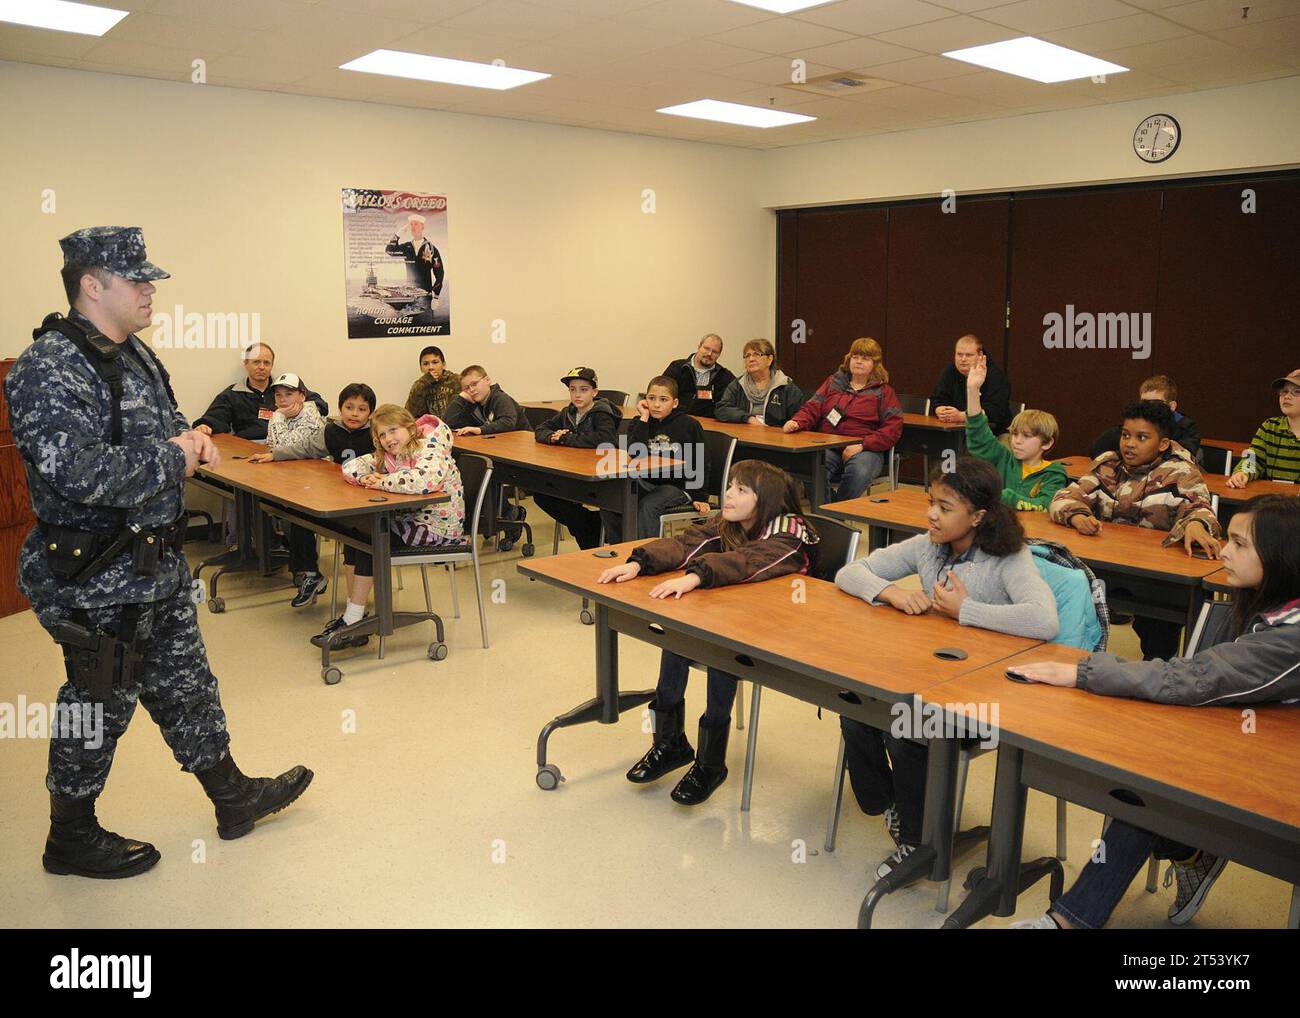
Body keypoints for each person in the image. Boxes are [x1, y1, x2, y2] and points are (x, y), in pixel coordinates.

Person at [5, 226, 311, 879]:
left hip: (157, 564)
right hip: (96, 576)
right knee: (97, 703)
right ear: (93, 284)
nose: (150, 289)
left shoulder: (136, 354)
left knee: (187, 684)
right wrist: (172, 456)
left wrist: (191, 438)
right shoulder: (49, 366)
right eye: (137, 279)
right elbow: (75, 473)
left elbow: (164, 424)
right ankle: (71, 836)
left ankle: (233, 797)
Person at [1009, 495, 1300, 929]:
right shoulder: (1266, 605)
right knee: (1148, 784)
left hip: (1278, 773)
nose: (1223, 551)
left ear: (1281, 558)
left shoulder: (1290, 636)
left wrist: (1083, 671)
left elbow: (1196, 676)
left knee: (1154, 787)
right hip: (1246, 736)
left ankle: (1081, 913)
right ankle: (1180, 857)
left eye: (1239, 544)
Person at [835, 458, 1059, 878]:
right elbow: (851, 571)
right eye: (931, 502)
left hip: (989, 697)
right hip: (932, 678)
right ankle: (897, 811)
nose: (932, 515)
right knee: (856, 708)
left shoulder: (1008, 557)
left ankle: (919, 844)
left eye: (945, 507)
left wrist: (966, 610)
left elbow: (1045, 620)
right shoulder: (927, 546)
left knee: (908, 731)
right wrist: (890, 595)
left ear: (978, 516)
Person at [597, 461, 819, 805]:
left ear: (767, 501)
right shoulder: (731, 521)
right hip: (736, 614)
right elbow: (689, 543)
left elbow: (748, 561)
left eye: (741, 490)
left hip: (782, 630)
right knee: (677, 634)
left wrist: (695, 577)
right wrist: (639, 563)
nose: (728, 494)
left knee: (719, 648)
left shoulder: (790, 533)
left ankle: (711, 763)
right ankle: (669, 744)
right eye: (730, 485)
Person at [1049, 399, 1222, 660]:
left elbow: (1198, 507)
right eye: (1126, 435)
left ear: (1163, 444)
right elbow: (1064, 498)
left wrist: (1196, 523)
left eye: (1142, 437)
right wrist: (1076, 516)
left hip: (1158, 576)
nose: (1130, 443)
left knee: (1157, 642)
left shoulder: (1181, 470)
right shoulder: (1108, 464)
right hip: (1106, 563)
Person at [313, 405, 465, 649]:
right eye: (382, 435)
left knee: (370, 538)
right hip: (410, 520)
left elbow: (423, 482)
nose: (388, 439)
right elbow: (351, 466)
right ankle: (356, 615)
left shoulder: (431, 447)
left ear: (411, 428)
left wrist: (382, 481)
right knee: (354, 533)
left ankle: (353, 620)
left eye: (393, 431)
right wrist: (364, 478)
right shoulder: (393, 454)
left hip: (438, 527)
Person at [245, 371, 329, 607]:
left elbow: (286, 447)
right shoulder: (280, 415)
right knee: (271, 505)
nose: (282, 400)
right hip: (290, 476)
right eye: (278, 395)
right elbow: (274, 448)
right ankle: (304, 570)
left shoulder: (311, 415)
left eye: (289, 394)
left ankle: (309, 572)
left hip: (317, 479)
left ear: (302, 395)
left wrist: (278, 418)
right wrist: (279, 421)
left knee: (295, 515)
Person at [783, 337, 902, 500]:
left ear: (875, 364)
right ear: (848, 359)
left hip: (865, 448)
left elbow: (892, 429)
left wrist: (863, 444)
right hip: (829, 444)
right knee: (809, 466)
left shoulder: (884, 392)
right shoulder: (833, 382)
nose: (858, 361)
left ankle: (837, 518)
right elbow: (812, 406)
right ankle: (826, 512)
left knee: (859, 471)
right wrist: (797, 421)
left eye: (865, 358)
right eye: (855, 357)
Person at [604, 376, 711, 541]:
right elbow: (634, 453)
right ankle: (619, 550)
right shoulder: (639, 422)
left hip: (677, 486)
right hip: (645, 481)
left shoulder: (689, 425)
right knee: (612, 500)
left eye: (663, 399)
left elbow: (701, 461)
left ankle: (645, 556)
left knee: (648, 506)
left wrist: (700, 497)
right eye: (651, 398)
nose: (656, 404)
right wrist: (644, 418)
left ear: (674, 403)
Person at [530, 367, 622, 549]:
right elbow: (540, 429)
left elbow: (606, 440)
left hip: (599, 475)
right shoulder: (568, 412)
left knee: (564, 504)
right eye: (572, 389)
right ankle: (591, 524)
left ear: (594, 392)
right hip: (573, 472)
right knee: (542, 494)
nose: (577, 395)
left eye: (583, 389)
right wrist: (552, 437)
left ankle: (588, 532)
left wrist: (566, 438)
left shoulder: (602, 413)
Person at [965, 354, 1066, 511]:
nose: (1017, 441)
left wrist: (1004, 496)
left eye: (1026, 436)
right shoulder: (1003, 457)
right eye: (1014, 434)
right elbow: (978, 433)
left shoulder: (1054, 474)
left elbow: (1044, 505)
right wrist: (972, 389)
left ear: (1047, 443)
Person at [192, 342, 327, 440]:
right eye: (256, 362)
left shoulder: (285, 389)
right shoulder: (232, 394)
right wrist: (204, 426)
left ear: (272, 365)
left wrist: (300, 410)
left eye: (266, 363)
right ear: (246, 364)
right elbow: (214, 418)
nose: (262, 367)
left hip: (286, 446)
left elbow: (320, 404)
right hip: (247, 448)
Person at [1090, 374, 1200, 460]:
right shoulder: (1134, 424)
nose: (1146, 409)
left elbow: (1183, 459)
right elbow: (1096, 449)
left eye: (1154, 404)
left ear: (1171, 406)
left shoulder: (1186, 427)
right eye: (1143, 403)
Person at [1227, 368, 1300, 487]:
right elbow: (1252, 458)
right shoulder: (1269, 426)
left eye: (1297, 392)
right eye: (1284, 391)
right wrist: (1243, 472)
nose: (1287, 396)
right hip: (1272, 499)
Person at [930, 334, 1012, 435]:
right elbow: (936, 399)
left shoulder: (996, 376)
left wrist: (961, 416)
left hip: (994, 434)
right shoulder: (950, 370)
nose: (963, 359)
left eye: (968, 355)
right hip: (955, 431)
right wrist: (941, 411)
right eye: (959, 354)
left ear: (980, 355)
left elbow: (995, 413)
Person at [714, 338, 805, 427]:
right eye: (747, 355)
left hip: (776, 439)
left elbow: (799, 417)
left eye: (757, 354)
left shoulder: (786, 387)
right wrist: (748, 418)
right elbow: (721, 409)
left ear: (770, 359)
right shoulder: (738, 385)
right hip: (743, 438)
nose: (751, 359)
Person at [385, 212, 444, 317]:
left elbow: (439, 274)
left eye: (416, 224)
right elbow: (389, 250)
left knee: (426, 326)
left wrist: (436, 297)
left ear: (422, 226)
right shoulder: (406, 247)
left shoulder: (431, 248)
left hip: (425, 297)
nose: (413, 226)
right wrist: (398, 234)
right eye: (411, 224)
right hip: (409, 296)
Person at [662, 333, 735, 418]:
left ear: (719, 354)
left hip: (708, 424)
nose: (709, 354)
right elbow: (661, 392)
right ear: (699, 347)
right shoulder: (677, 367)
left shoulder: (725, 376)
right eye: (706, 348)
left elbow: (731, 403)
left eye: (714, 352)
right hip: (676, 419)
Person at [405, 345, 459, 420]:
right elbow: (409, 414)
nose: (431, 367)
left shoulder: (455, 380)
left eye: (435, 362)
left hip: (454, 426)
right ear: (421, 368)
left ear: (443, 365)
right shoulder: (419, 385)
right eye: (426, 364)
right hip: (430, 427)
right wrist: (425, 383)